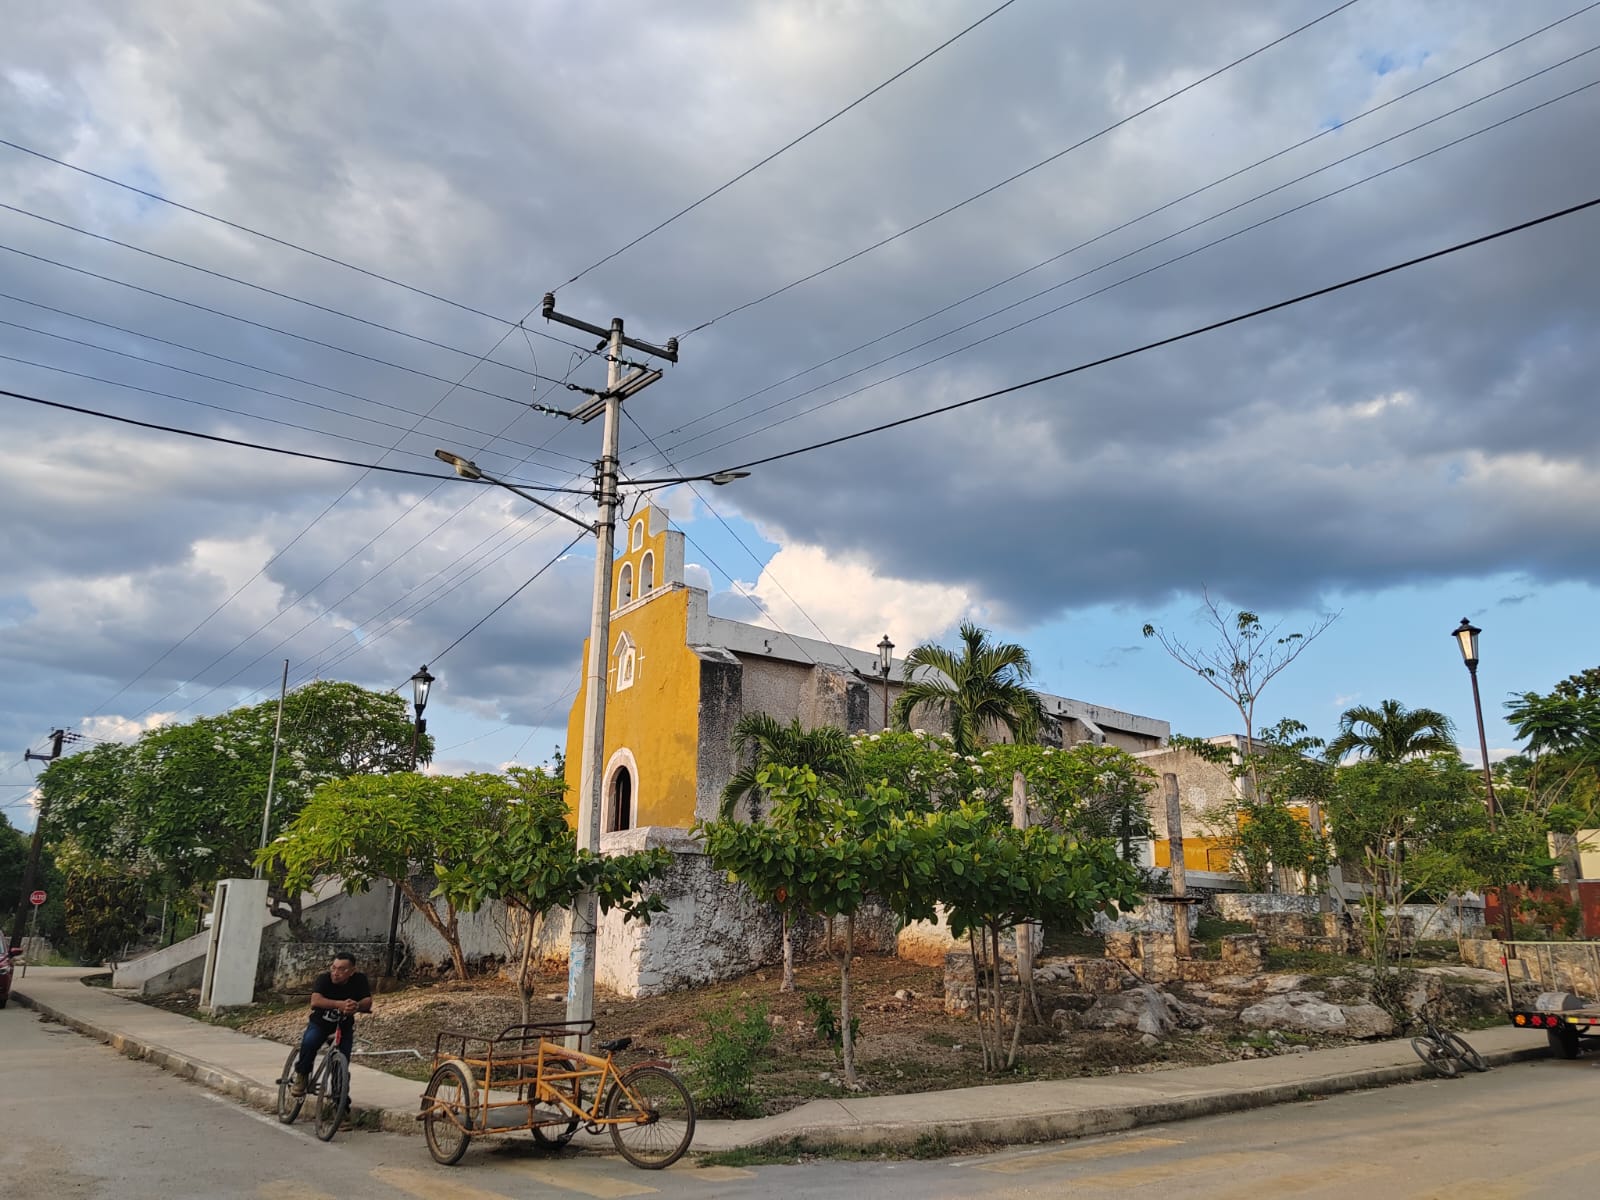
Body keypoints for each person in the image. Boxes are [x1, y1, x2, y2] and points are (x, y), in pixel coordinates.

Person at [290, 951, 372, 1097]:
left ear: (352, 971)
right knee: (309, 1043)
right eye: (334, 968)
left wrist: (356, 1006)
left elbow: (367, 1001)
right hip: (321, 1024)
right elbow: (315, 1000)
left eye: (342, 969)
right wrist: (338, 1004)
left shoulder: (359, 980)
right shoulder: (324, 979)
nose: (336, 973)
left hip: (343, 1027)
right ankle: (301, 1076)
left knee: (342, 1063)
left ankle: (339, 1102)